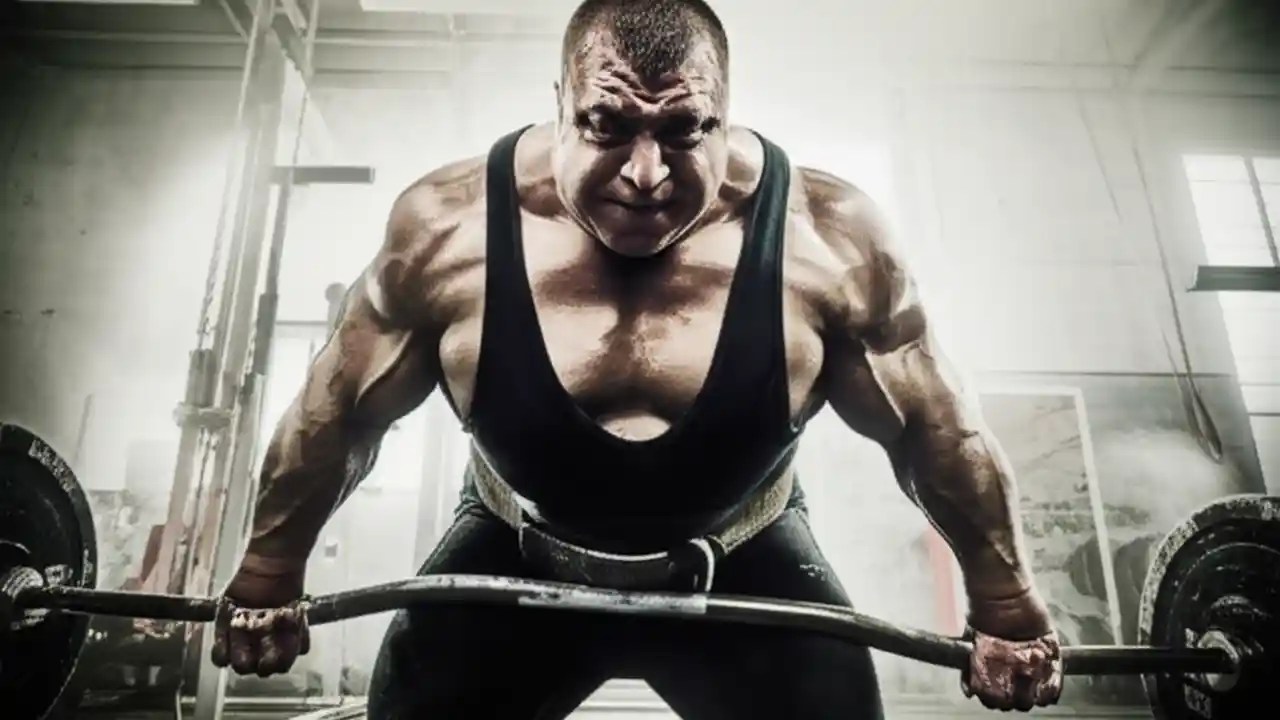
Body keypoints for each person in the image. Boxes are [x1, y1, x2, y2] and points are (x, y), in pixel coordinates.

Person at [211, 0, 1064, 717]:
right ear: (559, 105)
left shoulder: (829, 239)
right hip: (517, 551)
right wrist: (267, 571)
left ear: (728, 112)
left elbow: (932, 430)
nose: (647, 172)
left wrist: (1007, 605)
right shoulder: (448, 228)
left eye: (686, 130)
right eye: (608, 126)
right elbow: (341, 411)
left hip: (746, 559)